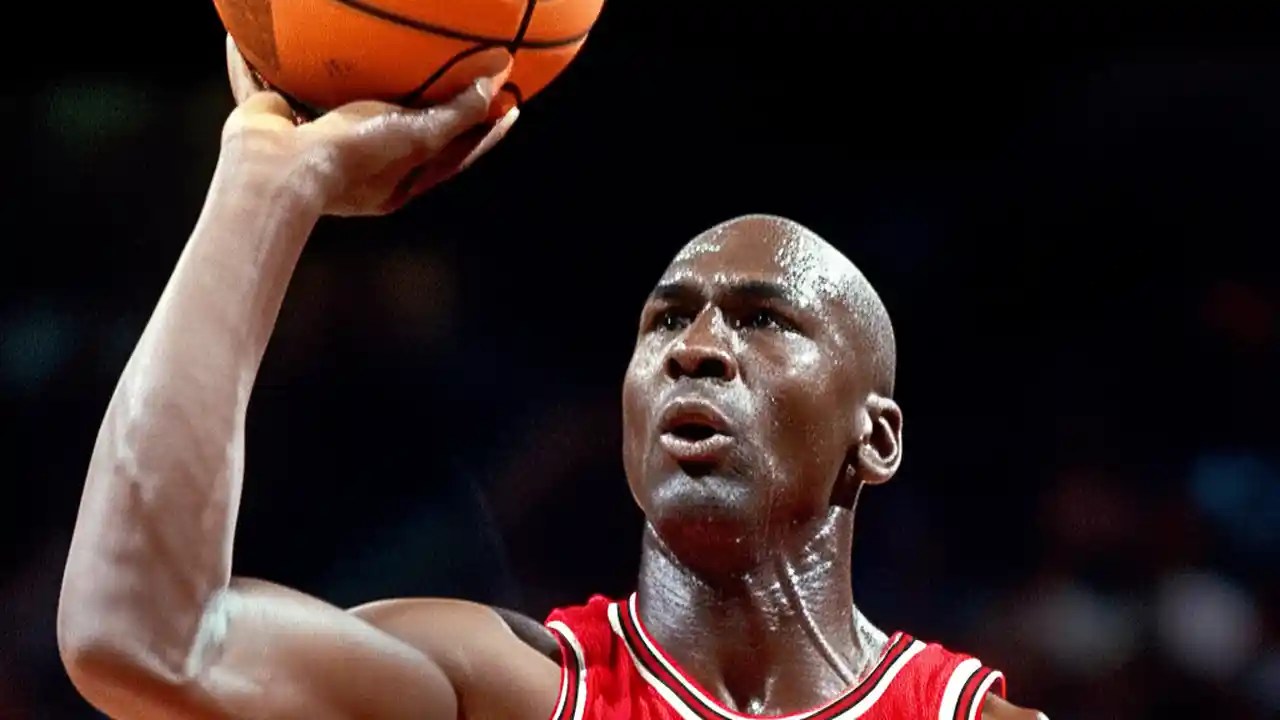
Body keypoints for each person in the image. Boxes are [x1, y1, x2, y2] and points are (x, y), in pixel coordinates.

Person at [55, 39, 1048, 720]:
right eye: (662, 322)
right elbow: (141, 642)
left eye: (760, 319)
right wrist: (268, 184)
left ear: (874, 439)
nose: (692, 348)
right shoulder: (505, 689)